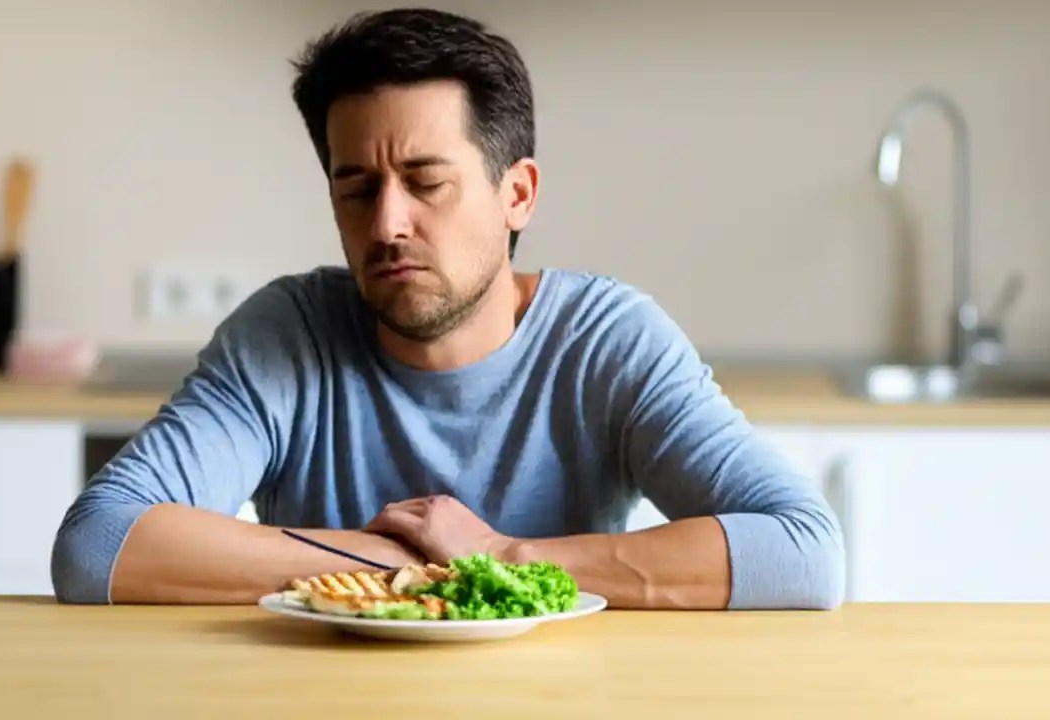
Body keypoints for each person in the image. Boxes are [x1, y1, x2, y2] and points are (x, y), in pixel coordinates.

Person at [51, 8, 844, 610]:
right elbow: (100, 542)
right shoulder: (286, 335)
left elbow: (802, 553)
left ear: (517, 194)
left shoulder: (607, 341)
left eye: (426, 182)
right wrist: (407, 565)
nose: (388, 224)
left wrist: (505, 553)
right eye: (356, 188)